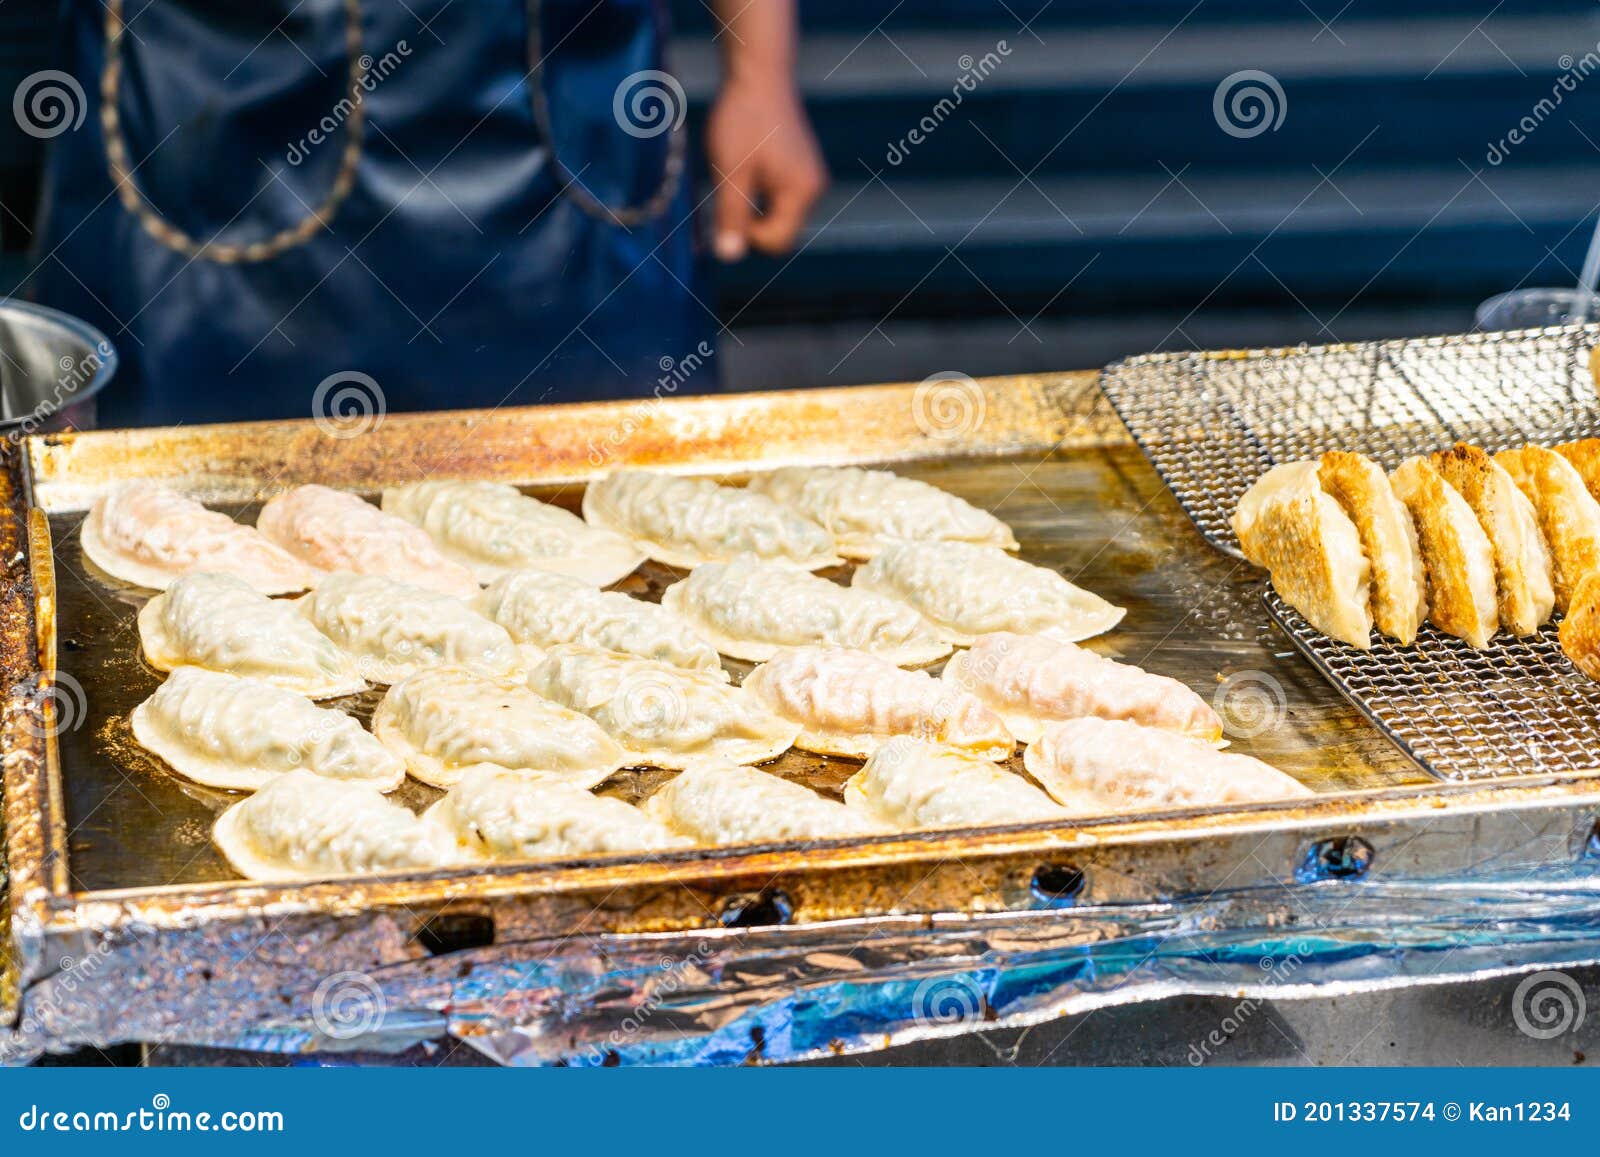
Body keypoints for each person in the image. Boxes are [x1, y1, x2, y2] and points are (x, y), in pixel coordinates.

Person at [30, 0, 827, 427]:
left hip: (567, 117)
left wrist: (762, 67)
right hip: (218, 107)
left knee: (628, 543)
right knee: (155, 571)